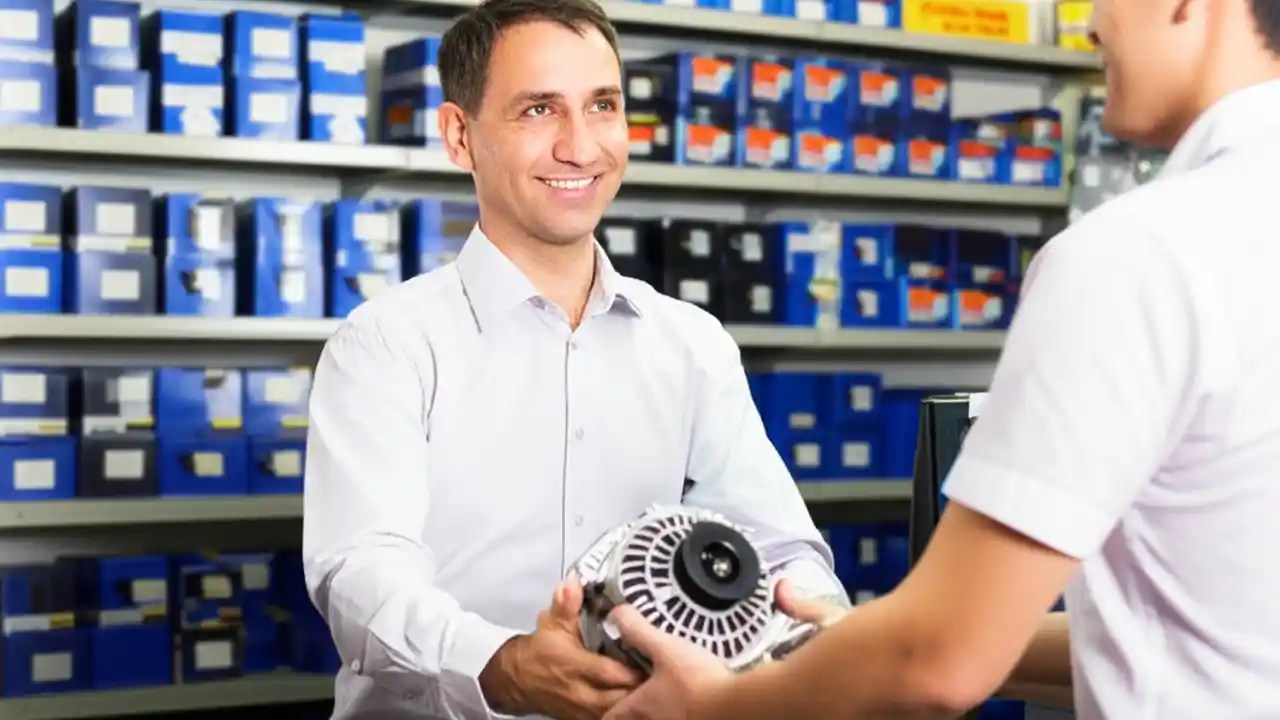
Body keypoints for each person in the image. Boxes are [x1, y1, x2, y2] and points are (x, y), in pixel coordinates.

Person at [598, 3, 1280, 720]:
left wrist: (719, 707)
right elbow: (1211, 632)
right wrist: (859, 645)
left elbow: (935, 667)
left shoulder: (1137, 256)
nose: (1089, 26)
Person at [301, 0, 846, 718]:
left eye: (603, 106)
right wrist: (501, 665)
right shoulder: (386, 346)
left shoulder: (690, 342)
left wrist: (816, 638)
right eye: (538, 111)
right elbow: (360, 572)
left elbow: (778, 547)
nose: (581, 146)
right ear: (460, 136)